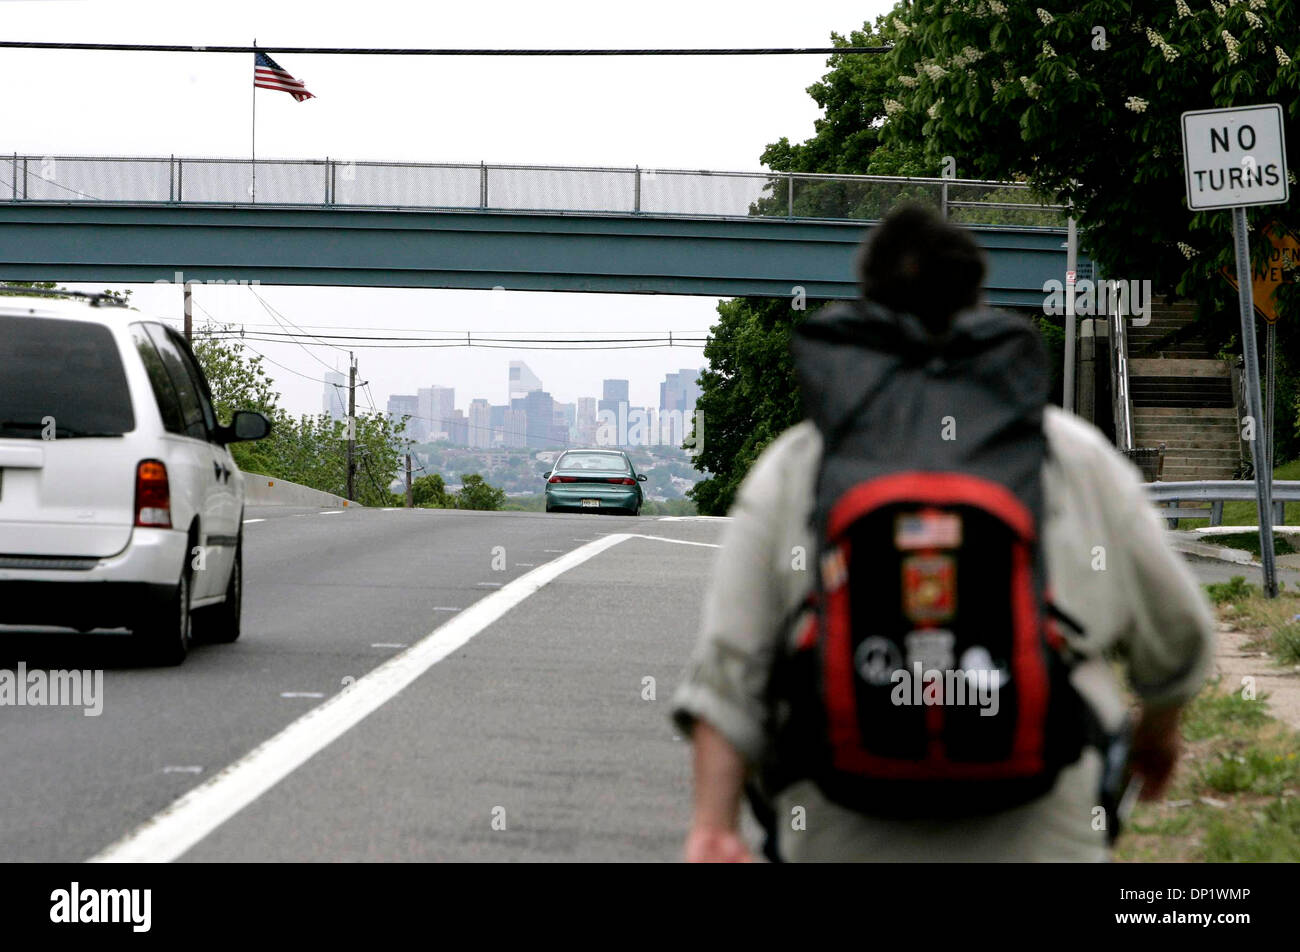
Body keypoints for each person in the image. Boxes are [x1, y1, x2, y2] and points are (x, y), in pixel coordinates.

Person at [670, 203, 1215, 863]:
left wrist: (713, 825)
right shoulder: (1072, 453)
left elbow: (731, 672)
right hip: (1041, 828)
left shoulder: (800, 463)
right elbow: (1179, 632)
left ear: (867, 304)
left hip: (840, 830)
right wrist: (1157, 735)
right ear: (980, 304)